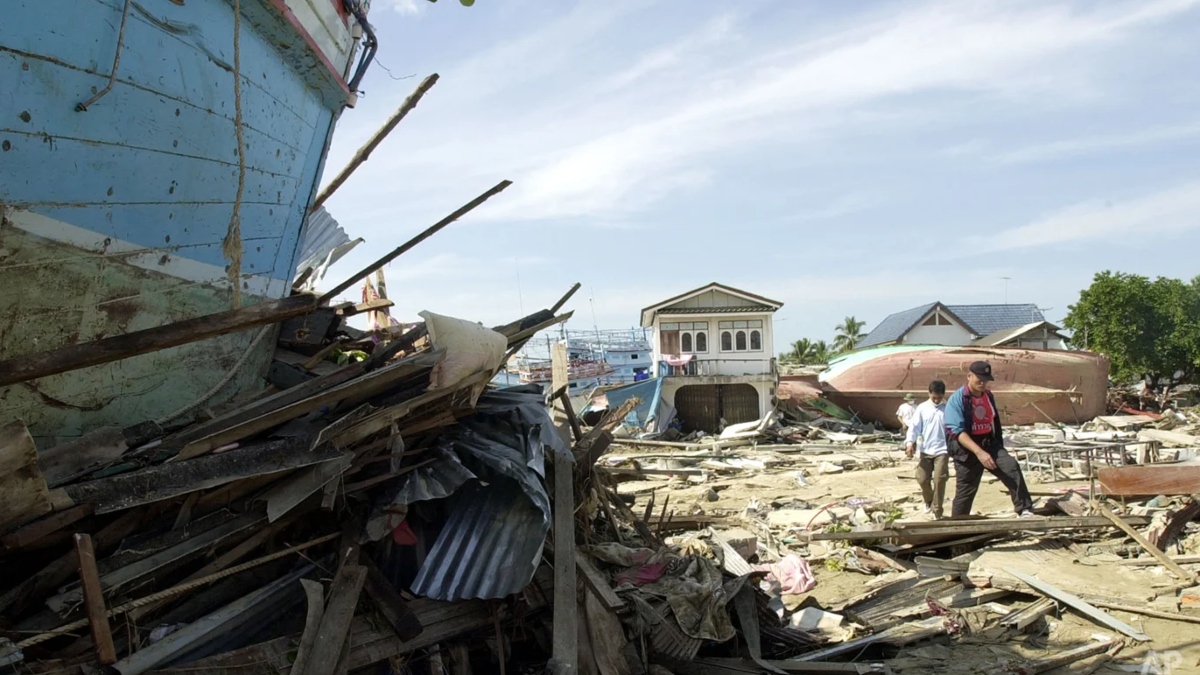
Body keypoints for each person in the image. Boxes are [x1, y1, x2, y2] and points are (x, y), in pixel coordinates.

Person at [944, 361, 1035, 518]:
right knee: (965, 490)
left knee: (1011, 468)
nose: (982, 383)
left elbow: (994, 421)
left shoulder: (988, 396)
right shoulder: (958, 399)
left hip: (988, 442)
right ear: (969, 376)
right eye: (979, 378)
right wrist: (979, 452)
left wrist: (996, 445)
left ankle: (1024, 510)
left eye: (985, 379)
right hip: (967, 449)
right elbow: (957, 431)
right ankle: (958, 527)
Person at [905, 380, 949, 518]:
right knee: (922, 478)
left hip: (942, 450)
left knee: (939, 480)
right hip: (926, 449)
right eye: (934, 397)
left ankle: (937, 510)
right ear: (929, 393)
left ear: (943, 395)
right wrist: (909, 443)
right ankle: (929, 500)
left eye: (939, 397)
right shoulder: (922, 408)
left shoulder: (948, 408)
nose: (936, 400)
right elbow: (914, 427)